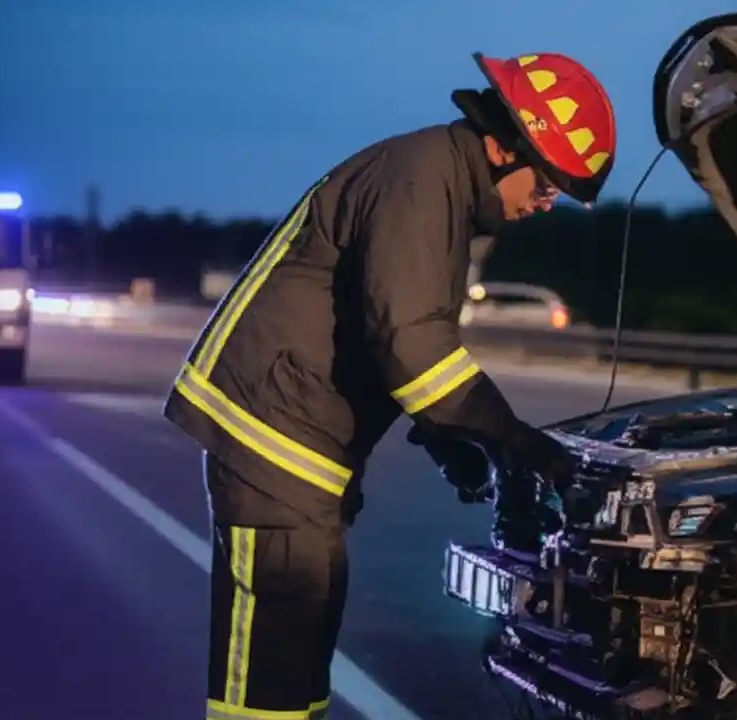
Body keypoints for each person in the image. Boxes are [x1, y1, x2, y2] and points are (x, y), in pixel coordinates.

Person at [161, 51, 617, 720]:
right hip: (273, 444)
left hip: (295, 452)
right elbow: (414, 344)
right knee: (268, 683)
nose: (545, 204)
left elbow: (387, 338)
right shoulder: (421, 183)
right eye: (546, 184)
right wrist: (524, 446)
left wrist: (452, 443)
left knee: (300, 667)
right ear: (501, 146)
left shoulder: (438, 186)